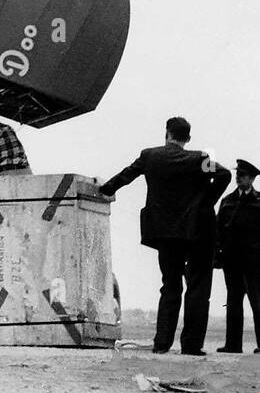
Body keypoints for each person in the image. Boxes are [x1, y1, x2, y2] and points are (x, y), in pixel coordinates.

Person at [100, 117, 230, 356]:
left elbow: (125, 176)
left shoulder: (150, 156)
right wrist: (204, 203)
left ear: (167, 134)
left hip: (165, 232)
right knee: (198, 287)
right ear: (188, 138)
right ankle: (191, 345)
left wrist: (105, 189)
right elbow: (224, 176)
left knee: (170, 285)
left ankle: (162, 343)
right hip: (198, 231)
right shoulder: (201, 158)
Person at [215, 158, 260, 353]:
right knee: (233, 302)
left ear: (252, 178)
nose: (238, 177)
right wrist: (217, 255)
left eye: (242, 175)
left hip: (254, 261)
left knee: (257, 302)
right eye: (237, 174)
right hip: (232, 260)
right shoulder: (227, 201)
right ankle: (233, 345)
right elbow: (217, 231)